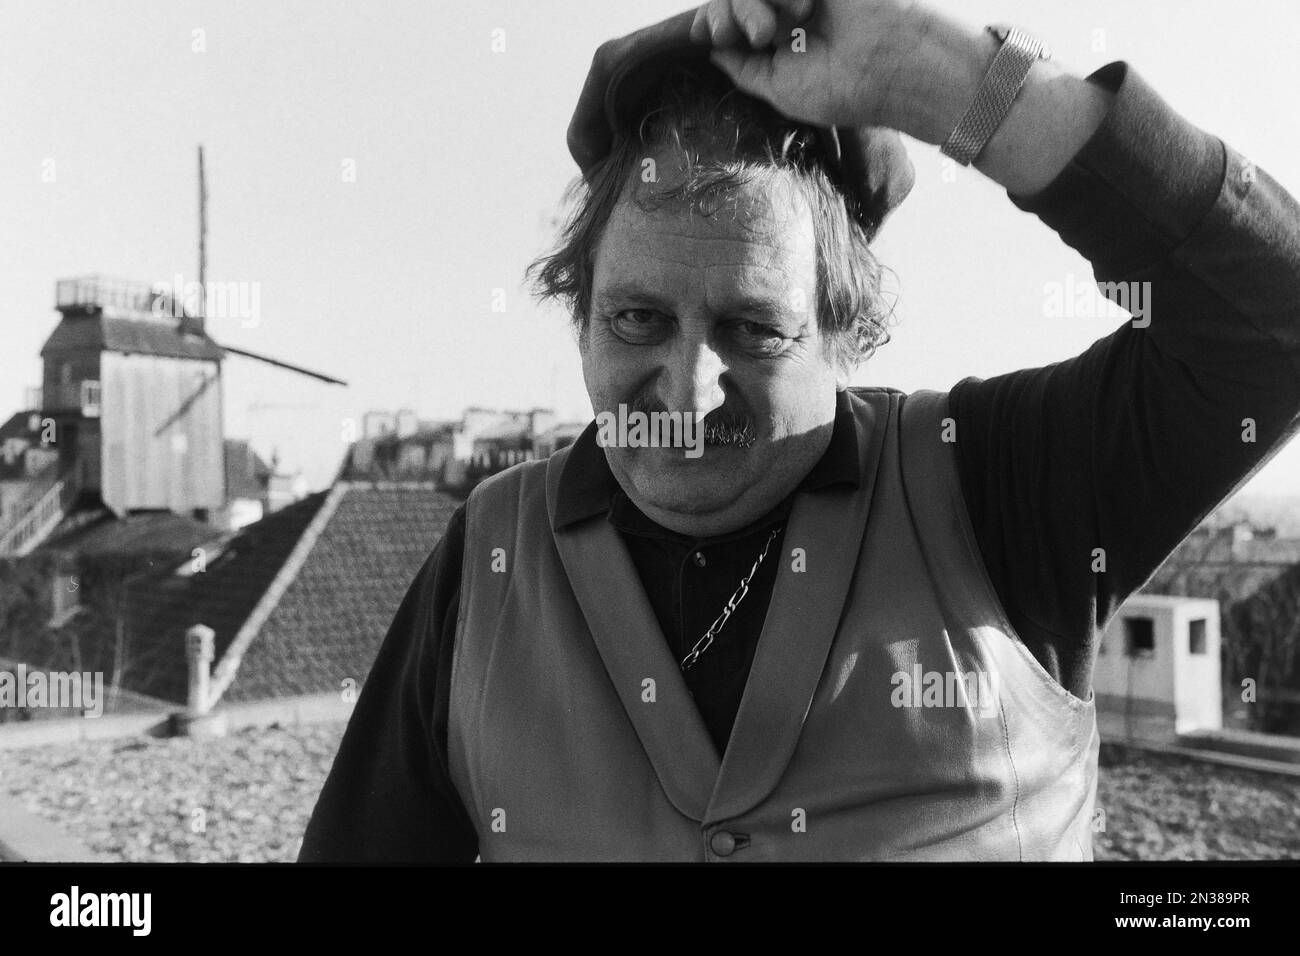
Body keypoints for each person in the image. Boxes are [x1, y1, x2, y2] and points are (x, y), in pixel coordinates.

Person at [299, 0, 1300, 861]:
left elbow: (1274, 324)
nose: (686, 394)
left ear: (846, 330)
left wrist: (946, 79)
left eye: (752, 329)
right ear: (580, 309)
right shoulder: (487, 556)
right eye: (637, 320)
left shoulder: (996, 484)